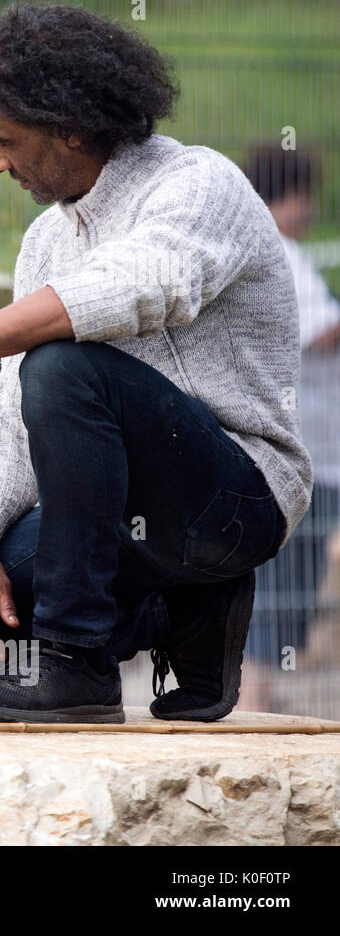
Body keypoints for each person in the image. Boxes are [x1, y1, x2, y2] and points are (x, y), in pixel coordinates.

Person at [0, 3, 312, 724]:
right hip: (104, 521)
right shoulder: (44, 241)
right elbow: (11, 421)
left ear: (69, 128)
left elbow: (134, 290)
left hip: (230, 500)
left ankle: (76, 664)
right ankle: (177, 613)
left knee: (66, 368)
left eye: (5, 140)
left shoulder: (199, 186)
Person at [241, 145, 340, 708]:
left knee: (285, 586)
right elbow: (321, 330)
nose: (309, 209)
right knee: (280, 585)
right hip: (297, 450)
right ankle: (253, 702)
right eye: (302, 196)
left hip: (309, 447)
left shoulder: (278, 252)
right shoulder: (276, 253)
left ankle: (260, 696)